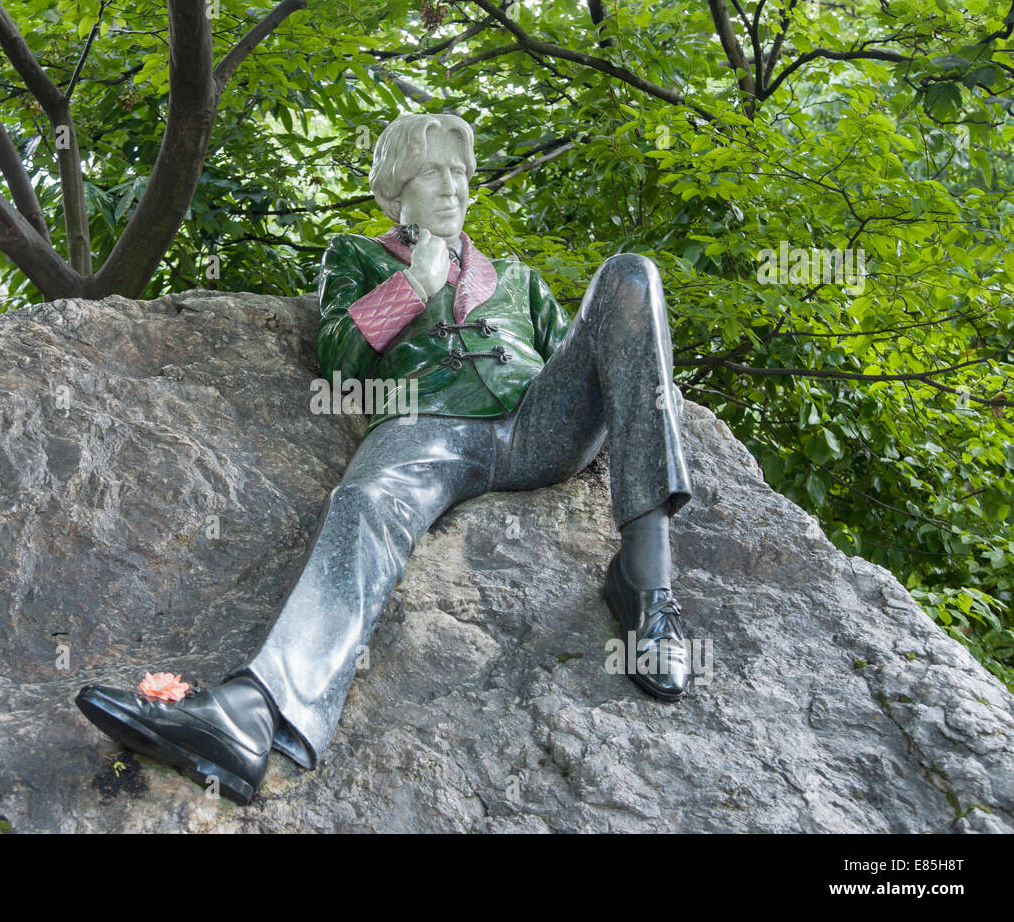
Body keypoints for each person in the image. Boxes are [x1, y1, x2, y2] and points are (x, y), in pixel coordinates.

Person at [76, 112, 694, 805]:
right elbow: (339, 358)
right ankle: (253, 715)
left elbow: (601, 372)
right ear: (397, 186)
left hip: (537, 427)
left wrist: (641, 395)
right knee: (365, 501)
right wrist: (415, 283)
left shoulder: (517, 279)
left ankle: (646, 582)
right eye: (434, 172)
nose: (454, 187)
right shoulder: (356, 256)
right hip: (425, 424)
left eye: (461, 173)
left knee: (631, 274)